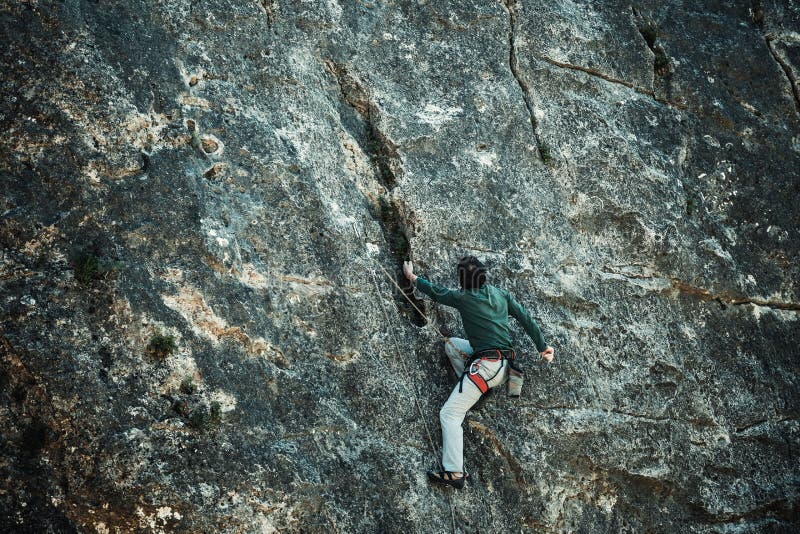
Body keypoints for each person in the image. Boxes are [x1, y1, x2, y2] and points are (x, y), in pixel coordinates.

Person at [402, 256, 554, 489]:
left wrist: (412, 278)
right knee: (452, 344)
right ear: (484, 275)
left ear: (462, 280)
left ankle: (454, 472)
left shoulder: (463, 298)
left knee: (449, 414)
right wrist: (543, 347)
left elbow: (436, 292)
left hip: (485, 367)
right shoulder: (501, 294)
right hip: (503, 367)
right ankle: (476, 392)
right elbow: (525, 318)